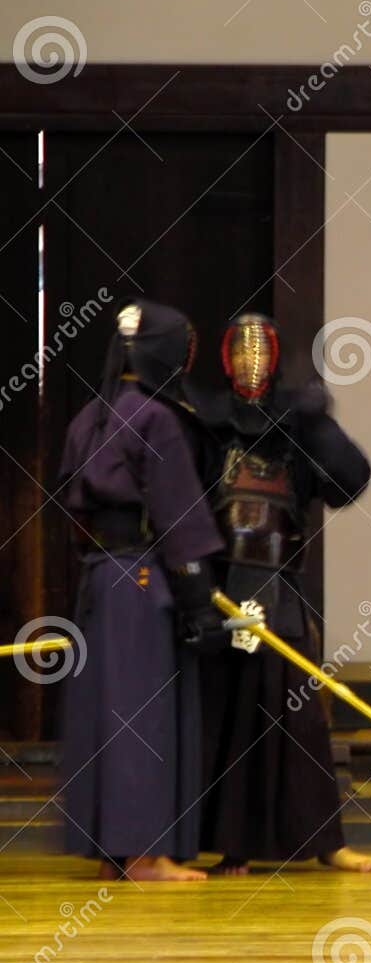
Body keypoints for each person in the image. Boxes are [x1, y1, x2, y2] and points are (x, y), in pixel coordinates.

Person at [192, 311, 371, 876]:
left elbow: (349, 482)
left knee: (301, 722)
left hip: (282, 589)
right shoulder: (208, 427)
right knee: (230, 719)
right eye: (242, 353)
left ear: (274, 359)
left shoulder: (295, 429)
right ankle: (233, 847)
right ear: (227, 360)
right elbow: (188, 512)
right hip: (225, 594)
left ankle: (327, 842)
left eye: (262, 353)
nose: (252, 363)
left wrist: (320, 423)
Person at [56, 299, 230, 882]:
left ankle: (114, 851)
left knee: (111, 712)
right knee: (142, 716)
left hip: (102, 582)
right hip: (142, 578)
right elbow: (178, 515)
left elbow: (73, 509)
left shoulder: (90, 417)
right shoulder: (155, 419)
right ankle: (144, 855)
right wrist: (198, 598)